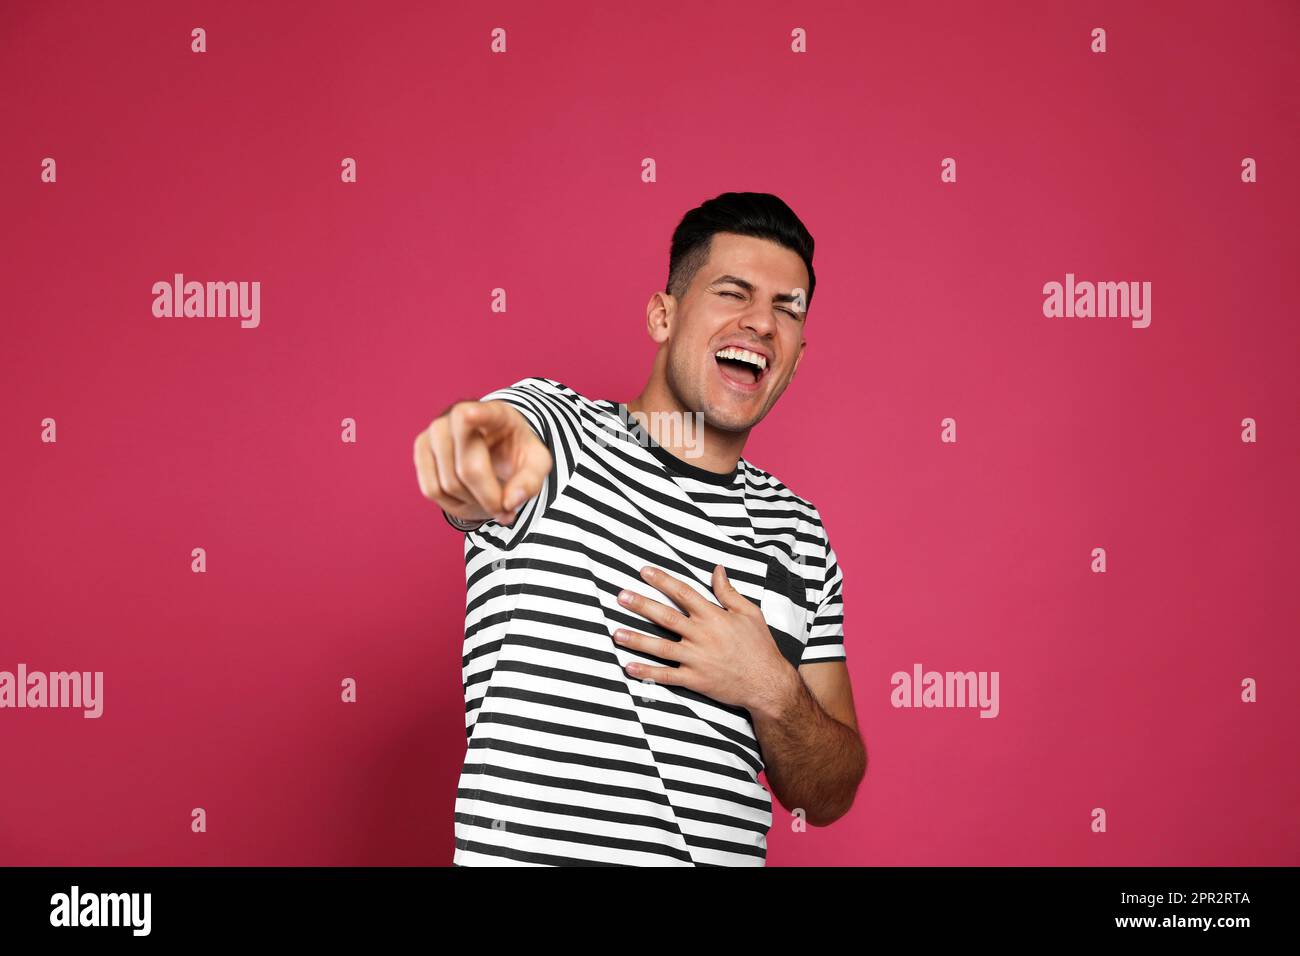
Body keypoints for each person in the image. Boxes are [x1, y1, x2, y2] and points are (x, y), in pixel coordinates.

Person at [413, 191, 866, 866]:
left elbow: (826, 794)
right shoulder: (565, 434)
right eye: (733, 292)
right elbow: (490, 444)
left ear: (797, 357)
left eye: (786, 309)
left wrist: (768, 685)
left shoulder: (800, 535)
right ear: (663, 315)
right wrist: (470, 455)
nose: (761, 324)